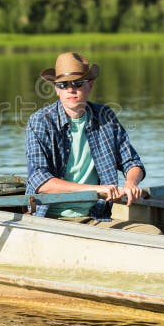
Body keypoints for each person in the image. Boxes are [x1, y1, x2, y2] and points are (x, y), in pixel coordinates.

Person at [25, 51, 145, 219]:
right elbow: (40, 180)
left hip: (97, 215)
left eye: (77, 83)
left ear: (90, 85)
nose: (70, 89)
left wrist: (131, 183)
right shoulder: (40, 121)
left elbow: (132, 162)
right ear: (56, 89)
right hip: (49, 217)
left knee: (153, 231)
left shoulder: (105, 116)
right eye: (63, 84)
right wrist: (95, 190)